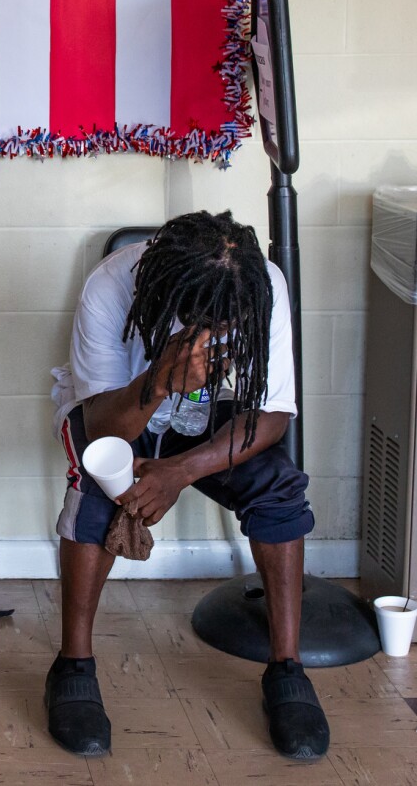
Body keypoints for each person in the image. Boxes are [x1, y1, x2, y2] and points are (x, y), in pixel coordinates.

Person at [45, 210, 329, 761]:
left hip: (203, 416)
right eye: (202, 319)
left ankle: (286, 669)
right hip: (119, 410)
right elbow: (101, 427)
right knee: (95, 486)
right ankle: (72, 665)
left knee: (278, 486)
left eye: (227, 323)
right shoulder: (110, 285)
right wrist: (160, 380)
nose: (216, 334)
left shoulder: (264, 285)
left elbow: (272, 415)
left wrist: (181, 471)